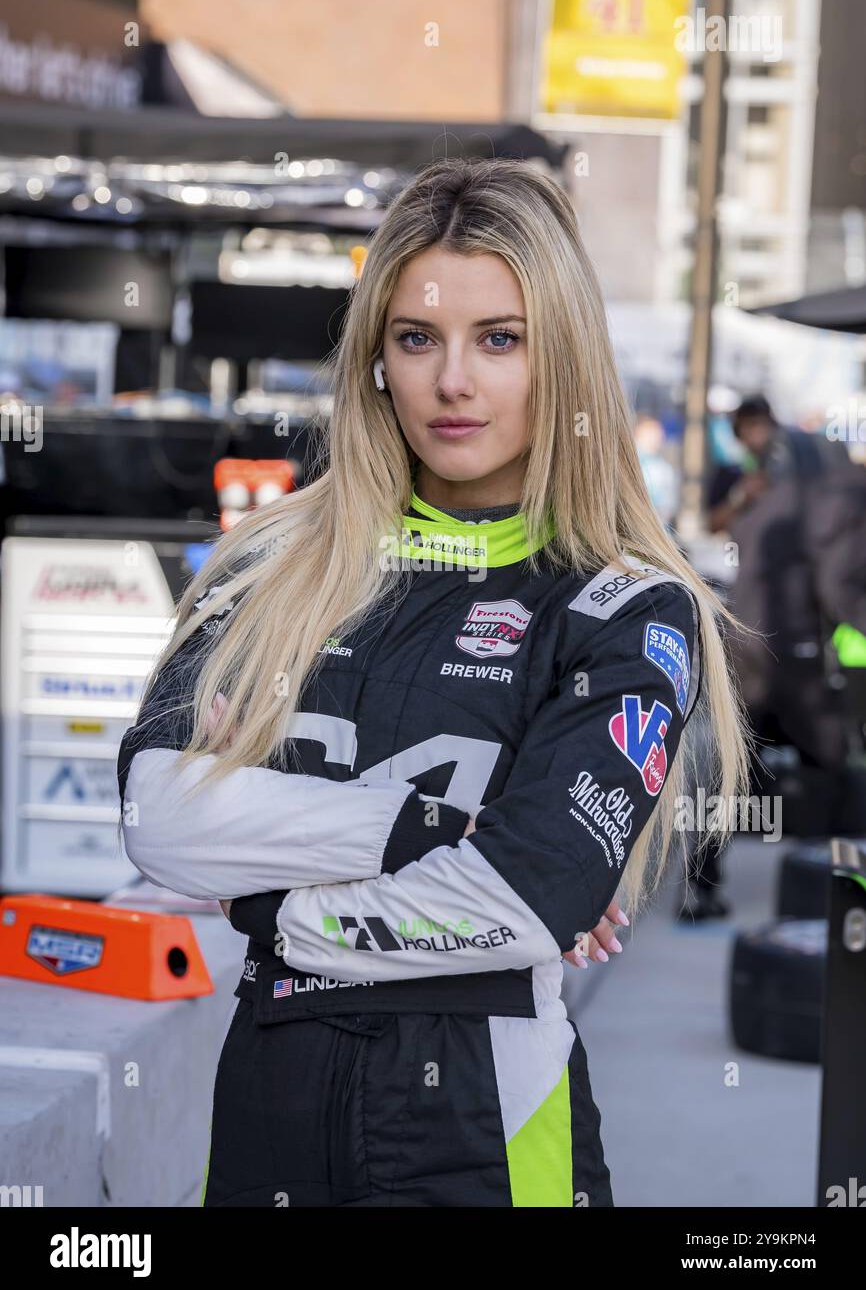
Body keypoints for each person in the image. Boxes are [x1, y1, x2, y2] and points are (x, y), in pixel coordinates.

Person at [117, 157, 749, 1208]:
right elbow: (161, 816)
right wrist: (429, 834)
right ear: (375, 361)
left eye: (498, 339)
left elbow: (520, 899)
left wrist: (272, 904)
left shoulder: (624, 606)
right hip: (267, 1124)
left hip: (488, 1136)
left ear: (563, 361)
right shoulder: (272, 564)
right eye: (416, 338)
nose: (452, 381)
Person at [708, 393, 866, 832]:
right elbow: (839, 587)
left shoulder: (782, 500)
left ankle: (703, 885)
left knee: (734, 765)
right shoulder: (823, 501)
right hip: (789, 645)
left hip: (748, 639)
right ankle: (831, 868)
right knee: (828, 757)